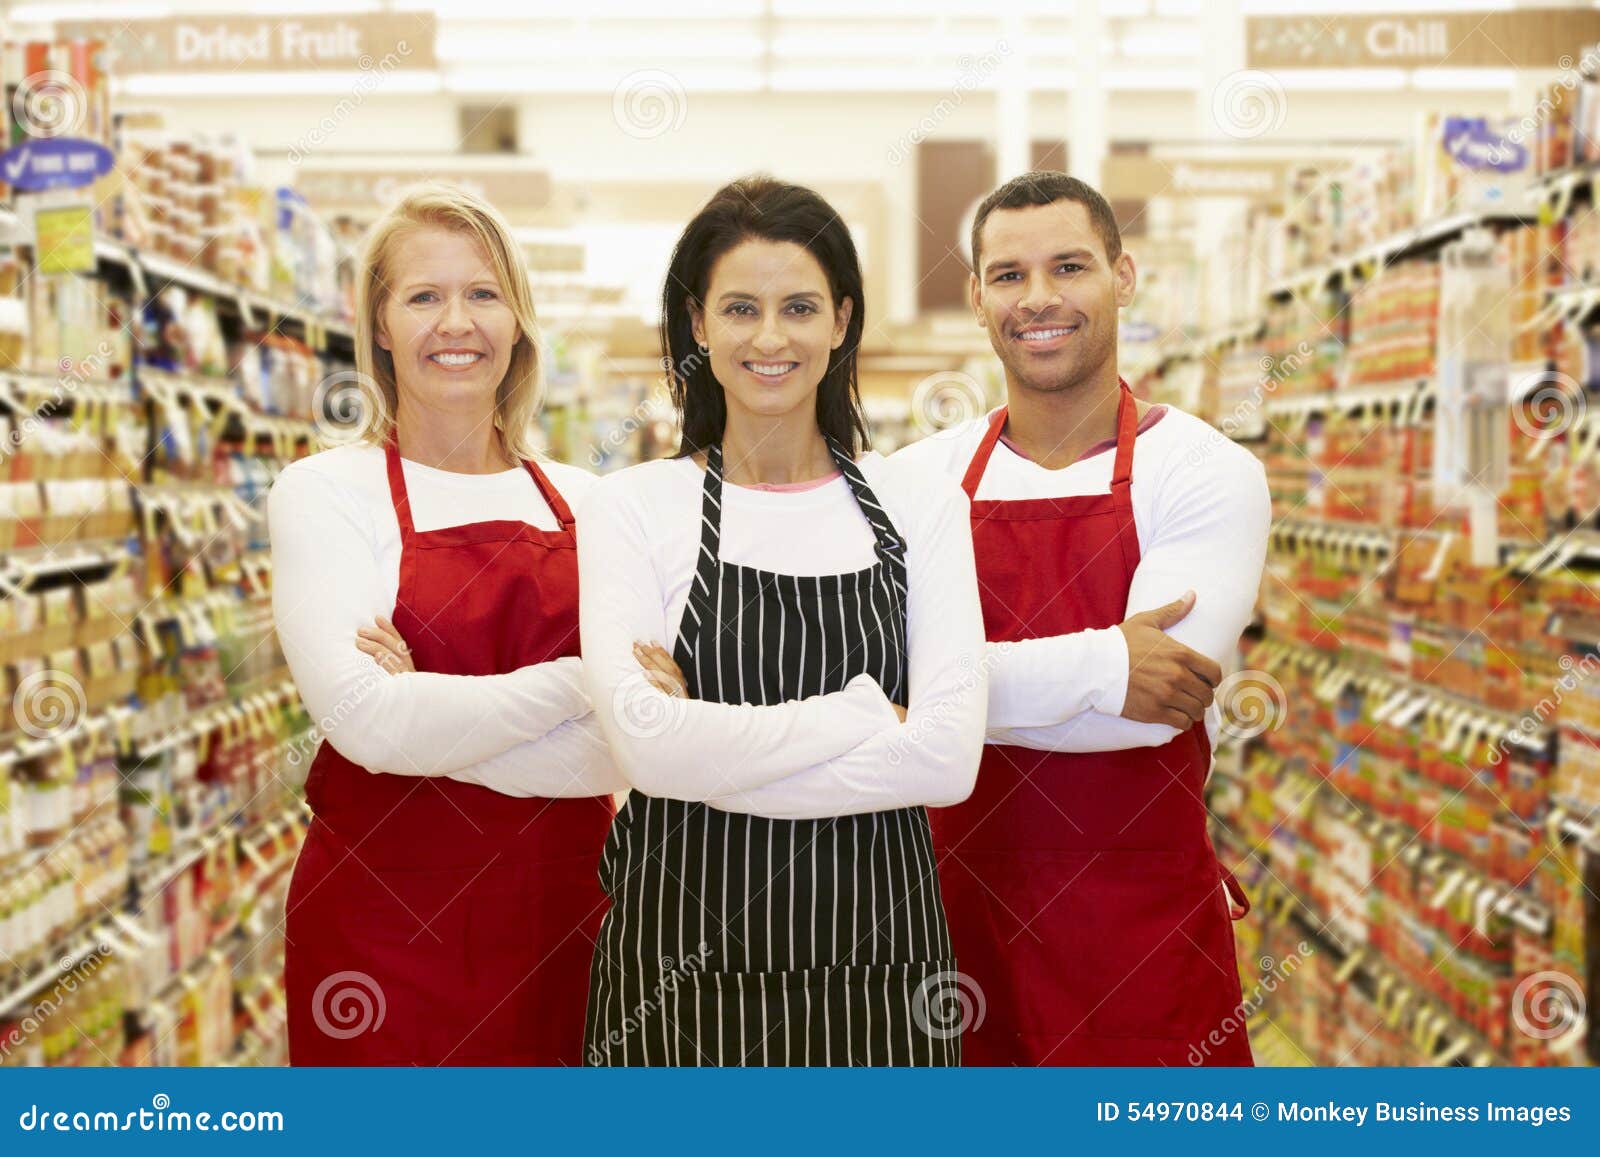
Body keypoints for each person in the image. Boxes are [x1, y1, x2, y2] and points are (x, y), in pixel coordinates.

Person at [577, 177, 986, 1067]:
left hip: (880, 974)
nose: (770, 338)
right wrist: (869, 716)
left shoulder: (921, 504)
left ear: (841, 320)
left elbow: (949, 761)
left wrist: (702, 745)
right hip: (676, 984)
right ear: (698, 324)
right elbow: (647, 752)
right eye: (740, 308)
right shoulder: (633, 507)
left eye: (799, 307)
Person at [894, 171, 1271, 1066]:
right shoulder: (915, 479)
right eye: (1011, 275)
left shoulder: (1206, 472)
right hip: (951, 926)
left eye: (1069, 266)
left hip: (1136, 935)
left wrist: (941, 687)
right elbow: (873, 690)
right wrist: (1106, 663)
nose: (1041, 298)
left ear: (1123, 276)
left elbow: (1146, 713)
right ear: (978, 295)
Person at [270, 182, 622, 1066]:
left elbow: (634, 743)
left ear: (518, 319)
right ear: (380, 325)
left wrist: (429, 708)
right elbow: (367, 724)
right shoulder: (325, 491)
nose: (455, 322)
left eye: (482, 293)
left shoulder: (590, 502)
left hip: (565, 919)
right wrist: (584, 685)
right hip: (382, 937)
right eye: (424, 296)